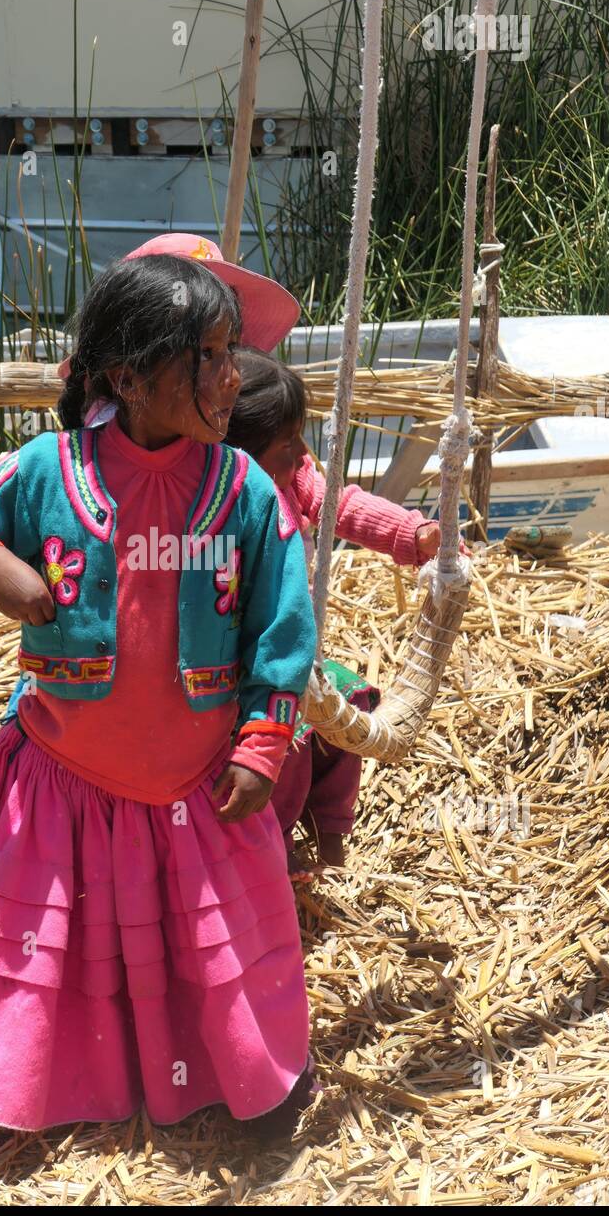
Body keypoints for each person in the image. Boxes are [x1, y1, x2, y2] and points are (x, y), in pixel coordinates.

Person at [0, 233, 321, 1140]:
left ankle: (235, 1074)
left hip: (199, 784)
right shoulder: (43, 472)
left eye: (231, 355)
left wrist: (264, 742)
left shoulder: (244, 493)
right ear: (129, 376)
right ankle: (43, 1083)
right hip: (69, 779)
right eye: (208, 358)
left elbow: (283, 627)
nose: (233, 379)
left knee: (204, 948)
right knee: (66, 948)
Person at [223, 347, 466, 880]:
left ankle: (331, 833)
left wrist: (415, 534)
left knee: (350, 699)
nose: (303, 452)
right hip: (243, 666)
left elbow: (345, 505)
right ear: (242, 453)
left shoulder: (293, 479)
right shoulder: (216, 505)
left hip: (293, 653)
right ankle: (273, 838)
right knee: (285, 731)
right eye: (289, 442)